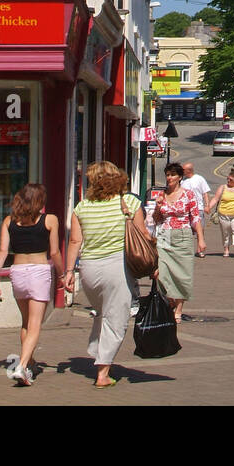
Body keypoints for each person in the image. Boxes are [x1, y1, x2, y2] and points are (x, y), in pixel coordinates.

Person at [63, 160, 147, 388]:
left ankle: (97, 349)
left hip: (89, 270)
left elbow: (75, 241)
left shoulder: (81, 207)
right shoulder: (129, 202)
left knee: (102, 312)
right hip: (117, 267)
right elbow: (142, 235)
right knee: (116, 319)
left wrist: (69, 271)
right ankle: (103, 371)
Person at [0, 183, 63, 386]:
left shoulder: (9, 221)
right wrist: (63, 274)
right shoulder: (49, 220)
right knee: (36, 324)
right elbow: (55, 252)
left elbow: (3, 251)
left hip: (18, 272)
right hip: (39, 271)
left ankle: (29, 362)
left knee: (25, 322)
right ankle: (22, 366)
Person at [151, 163, 204, 322]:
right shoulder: (162, 195)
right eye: (167, 175)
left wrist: (201, 239)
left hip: (183, 235)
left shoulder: (188, 194)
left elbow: (195, 218)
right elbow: (156, 219)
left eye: (173, 175)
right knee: (161, 273)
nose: (169, 178)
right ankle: (171, 300)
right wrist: (158, 208)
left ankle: (178, 308)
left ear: (180, 177)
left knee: (182, 274)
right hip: (164, 236)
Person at [209, 169, 234, 258]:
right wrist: (208, 207)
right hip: (224, 214)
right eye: (228, 179)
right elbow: (215, 198)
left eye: (231, 180)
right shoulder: (223, 187)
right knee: (226, 232)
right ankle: (226, 249)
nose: (228, 181)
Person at [181, 162, 213, 255]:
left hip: (198, 208)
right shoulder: (182, 181)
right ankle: (187, 249)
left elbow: (205, 193)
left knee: (200, 229)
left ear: (189, 170)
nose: (182, 171)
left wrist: (207, 205)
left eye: (184, 170)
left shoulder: (199, 179)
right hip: (186, 209)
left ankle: (200, 250)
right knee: (187, 230)